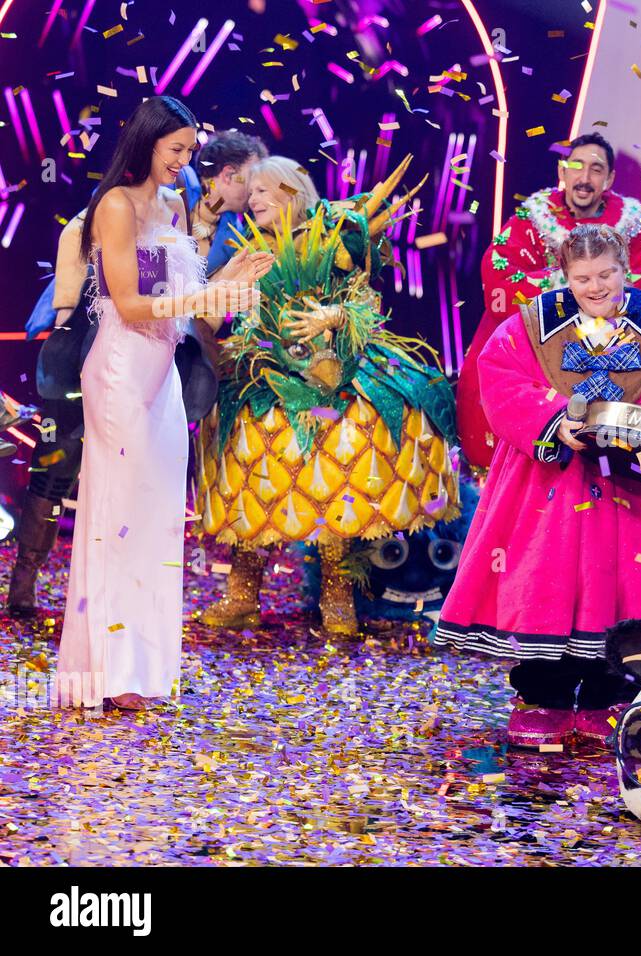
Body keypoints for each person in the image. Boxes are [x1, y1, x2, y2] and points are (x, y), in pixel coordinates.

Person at [435, 224, 641, 749]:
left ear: (625, 271)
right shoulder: (531, 326)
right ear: (564, 277)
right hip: (553, 486)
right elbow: (500, 380)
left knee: (628, 590)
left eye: (607, 274)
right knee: (550, 585)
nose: (596, 286)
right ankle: (544, 697)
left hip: (637, 490)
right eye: (583, 277)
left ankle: (613, 697)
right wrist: (552, 420)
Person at [53, 96, 268, 709]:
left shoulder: (173, 204)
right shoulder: (116, 206)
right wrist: (204, 298)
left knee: (157, 520)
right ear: (146, 142)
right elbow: (128, 303)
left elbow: (179, 289)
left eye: (189, 152)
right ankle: (108, 671)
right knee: (117, 518)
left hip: (162, 376)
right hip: (120, 372)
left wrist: (222, 285)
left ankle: (144, 670)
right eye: (175, 150)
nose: (183, 161)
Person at [194, 154, 460, 636]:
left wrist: (333, 318)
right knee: (254, 459)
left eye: (264, 190)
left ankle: (337, 594)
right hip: (265, 371)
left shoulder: (337, 234)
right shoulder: (250, 250)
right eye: (249, 192)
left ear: (293, 190)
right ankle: (242, 592)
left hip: (339, 367)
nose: (253, 199)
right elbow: (219, 307)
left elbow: (362, 303)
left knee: (341, 460)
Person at [7, 130, 267, 618]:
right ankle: (24, 582)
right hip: (93, 334)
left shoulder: (231, 229)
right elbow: (92, 240)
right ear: (226, 175)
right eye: (251, 181)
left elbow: (197, 301)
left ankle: (126, 607)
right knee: (59, 462)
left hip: (157, 355)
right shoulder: (166, 189)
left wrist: (230, 287)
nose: (256, 194)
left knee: (140, 476)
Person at [457, 132, 641, 468]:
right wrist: (569, 291)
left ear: (610, 179)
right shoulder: (534, 218)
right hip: (539, 363)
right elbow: (499, 276)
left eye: (597, 169)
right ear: (563, 170)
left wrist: (597, 293)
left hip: (612, 363)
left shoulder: (635, 226)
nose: (585, 178)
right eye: (577, 166)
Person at [179, 129, 269, 274]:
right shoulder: (174, 182)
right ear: (228, 175)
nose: (257, 186)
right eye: (252, 176)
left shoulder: (237, 236)